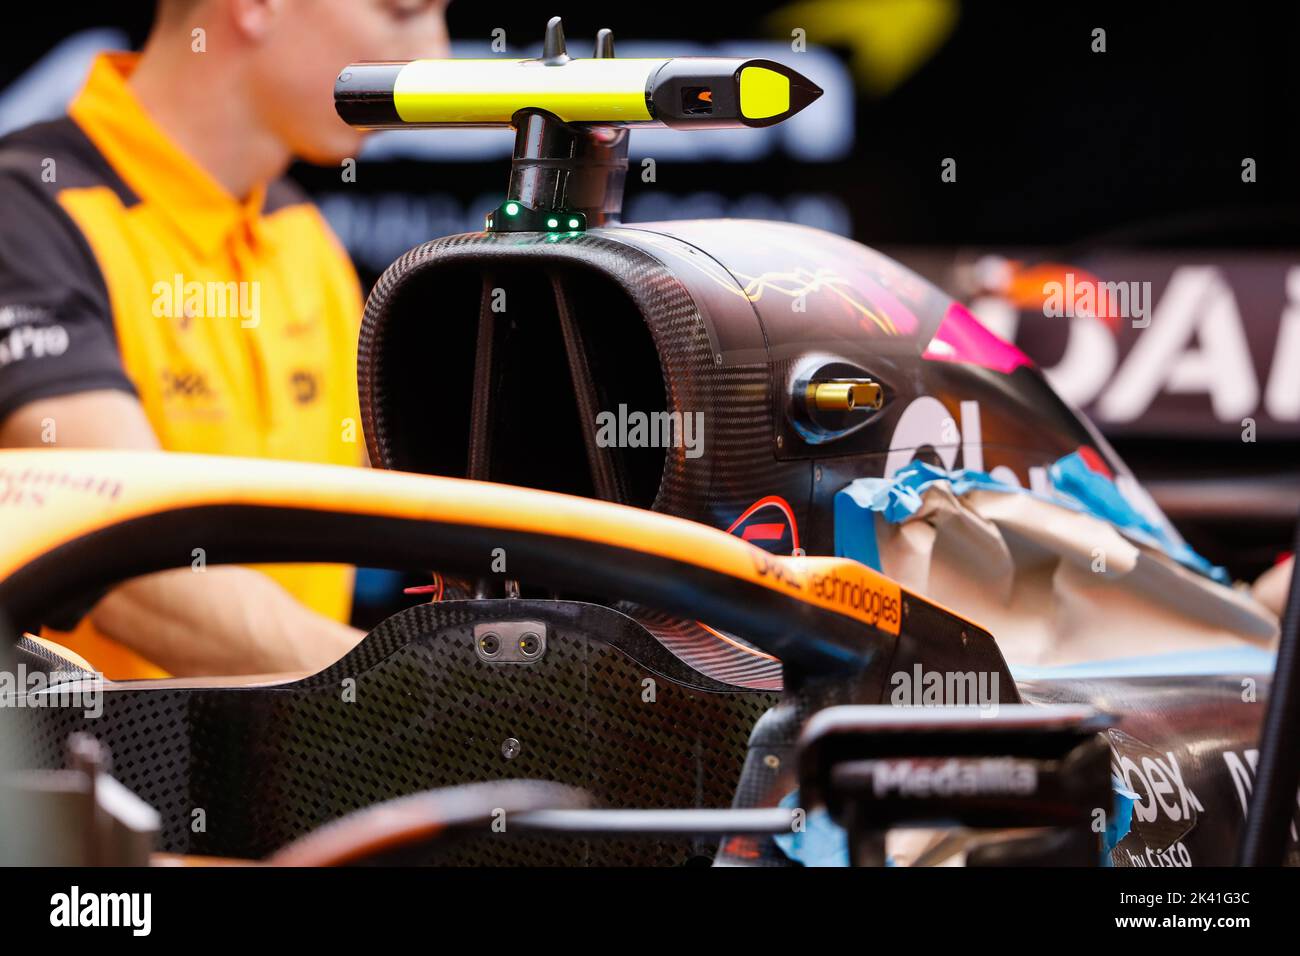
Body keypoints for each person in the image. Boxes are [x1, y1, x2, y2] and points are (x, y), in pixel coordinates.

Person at [0, 0, 451, 678]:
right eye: (403, 11)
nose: (437, 58)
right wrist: (420, 696)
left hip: (306, 769)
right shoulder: (25, 216)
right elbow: (122, 561)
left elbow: (400, 521)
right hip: (92, 773)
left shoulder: (302, 236)